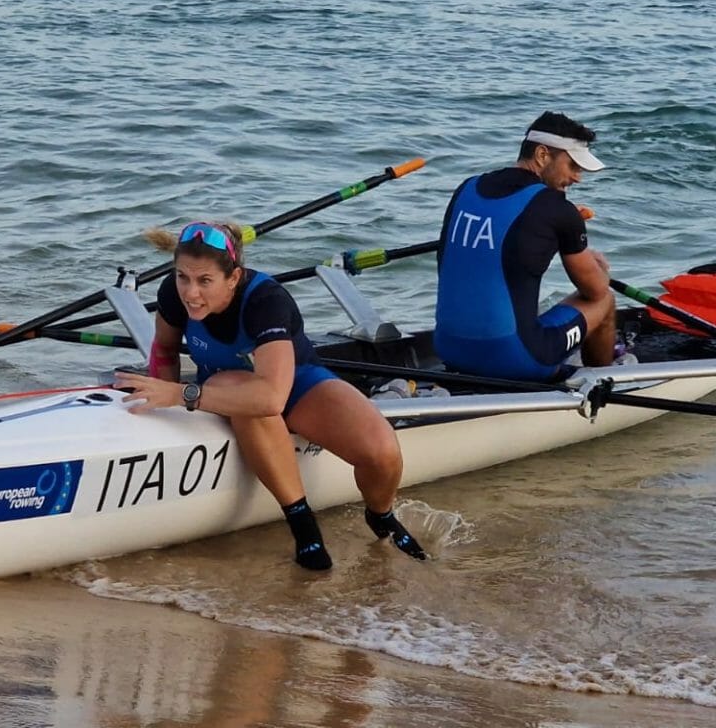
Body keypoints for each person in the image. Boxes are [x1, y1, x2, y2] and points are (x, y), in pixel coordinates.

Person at [113, 222, 425, 570]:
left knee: (382, 453)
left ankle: (381, 515)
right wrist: (163, 422)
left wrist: (180, 394)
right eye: (182, 277)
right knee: (238, 386)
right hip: (226, 388)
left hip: (298, 383)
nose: (190, 292)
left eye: (205, 281)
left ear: (233, 277)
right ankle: (303, 525)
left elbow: (273, 399)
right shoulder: (173, 294)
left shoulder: (266, 301)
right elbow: (165, 350)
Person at [433, 111, 618, 381]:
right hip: (518, 358)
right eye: (573, 166)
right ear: (542, 155)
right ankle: (605, 384)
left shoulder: (466, 189)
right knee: (605, 300)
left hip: (447, 348)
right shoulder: (558, 209)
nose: (577, 178)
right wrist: (597, 266)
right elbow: (596, 290)